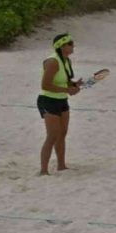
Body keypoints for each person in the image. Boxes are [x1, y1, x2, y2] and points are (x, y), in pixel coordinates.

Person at [38, 33, 80, 175]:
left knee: (62, 134)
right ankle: (43, 170)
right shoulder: (52, 62)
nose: (73, 45)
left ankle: (61, 165)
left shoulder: (66, 60)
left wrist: (75, 85)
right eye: (70, 43)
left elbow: (66, 81)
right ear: (62, 46)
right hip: (48, 100)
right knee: (52, 135)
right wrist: (67, 89)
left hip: (62, 99)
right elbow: (45, 85)